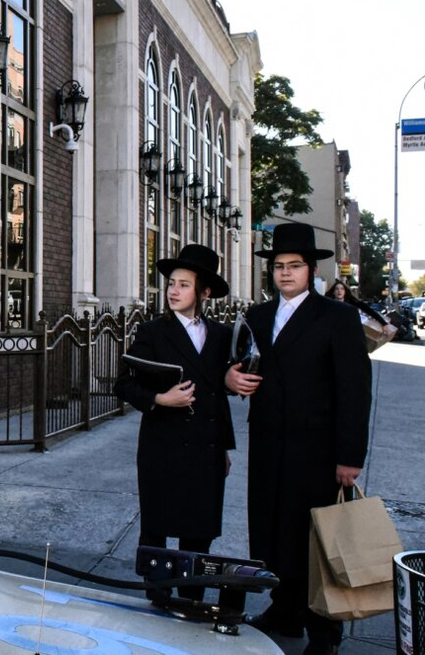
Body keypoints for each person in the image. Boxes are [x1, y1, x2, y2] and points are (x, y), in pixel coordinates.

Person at [226, 222, 371, 655]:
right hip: (270, 445)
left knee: (314, 539)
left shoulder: (339, 317)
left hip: (317, 450)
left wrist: (349, 456)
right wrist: (230, 377)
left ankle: (324, 633)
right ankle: (283, 610)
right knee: (272, 533)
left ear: (311, 270)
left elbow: (355, 390)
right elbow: (238, 364)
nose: (285, 273)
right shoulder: (258, 315)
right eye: (278, 266)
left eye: (294, 266)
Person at [114, 244, 235, 602]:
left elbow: (218, 397)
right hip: (162, 444)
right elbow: (124, 383)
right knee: (156, 527)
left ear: (204, 291)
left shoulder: (221, 335)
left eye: (184, 284)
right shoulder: (153, 332)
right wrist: (160, 400)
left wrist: (225, 447)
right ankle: (157, 597)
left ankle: (191, 597)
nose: (173, 290)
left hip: (206, 445)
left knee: (199, 530)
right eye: (171, 283)